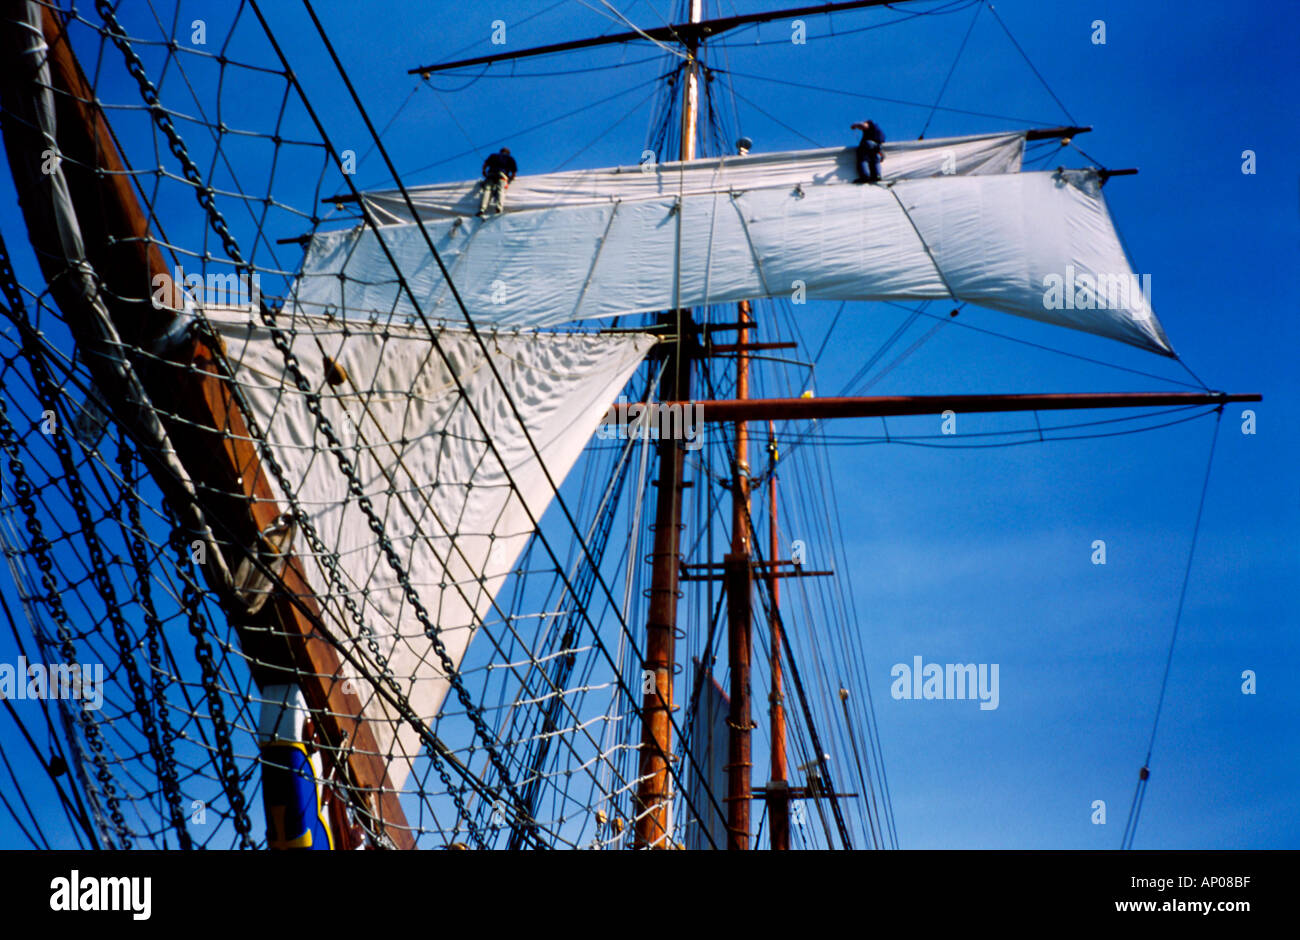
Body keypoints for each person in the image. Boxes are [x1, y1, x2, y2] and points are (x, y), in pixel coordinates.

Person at [477, 147, 518, 216]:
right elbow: (514, 173)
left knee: (487, 190)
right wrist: (510, 178)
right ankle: (498, 208)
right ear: (508, 153)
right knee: (500, 190)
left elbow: (485, 165)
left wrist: (484, 171)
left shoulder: (493, 156)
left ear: (500, 151)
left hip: (491, 174)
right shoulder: (510, 158)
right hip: (502, 175)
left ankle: (482, 209)